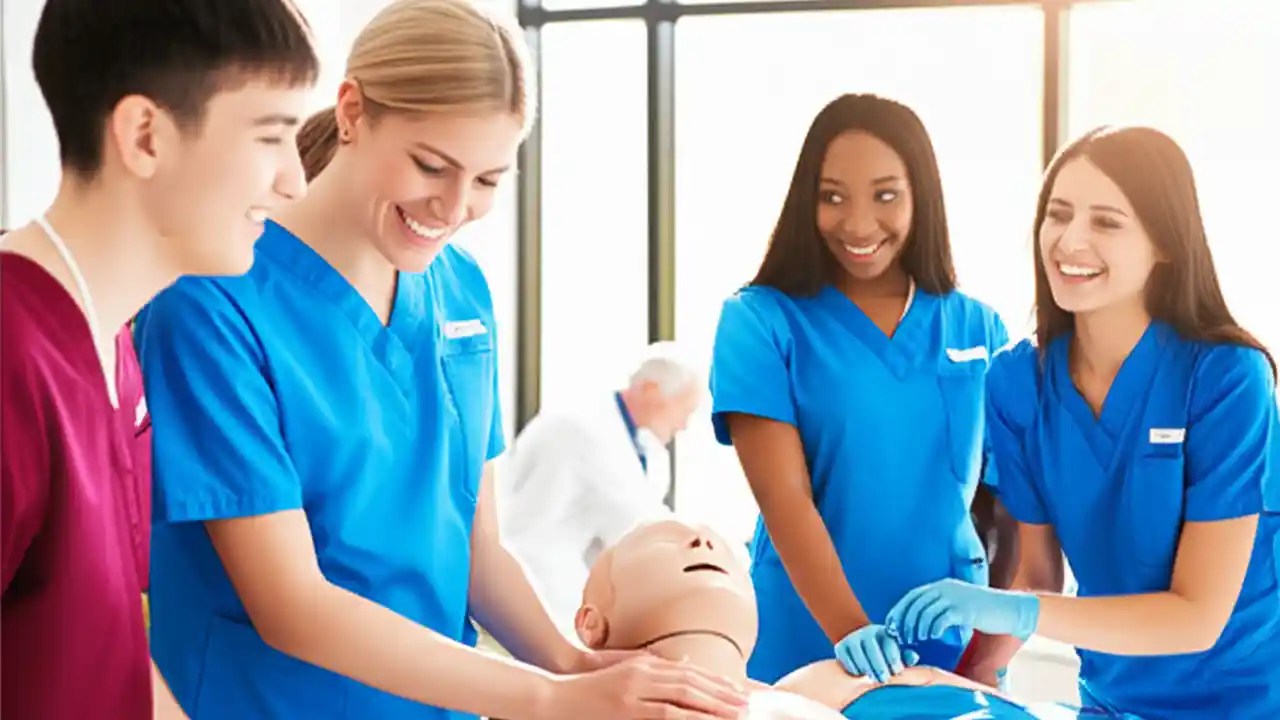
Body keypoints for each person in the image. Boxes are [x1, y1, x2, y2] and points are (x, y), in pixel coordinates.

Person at [132, 1, 748, 718]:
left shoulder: (461, 290)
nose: (454, 208)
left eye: (488, 180)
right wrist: (549, 698)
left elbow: (479, 553)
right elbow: (290, 605)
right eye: (431, 166)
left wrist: (577, 666)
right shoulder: (210, 304)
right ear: (353, 112)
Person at [886, 126, 1280, 719]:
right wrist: (960, 673)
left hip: (1246, 705)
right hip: (1109, 702)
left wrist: (1013, 610)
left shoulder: (1225, 378)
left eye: (1107, 222)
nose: (1070, 240)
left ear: (1165, 243)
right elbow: (1037, 576)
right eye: (1058, 214)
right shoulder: (1017, 381)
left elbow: (1197, 616)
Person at [0, 1, 317, 718]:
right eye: (272, 136)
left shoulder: (110, 341)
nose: (295, 181)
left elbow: (99, 647)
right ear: (145, 136)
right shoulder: (14, 355)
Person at [708, 93, 1010, 685]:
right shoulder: (760, 322)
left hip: (950, 651)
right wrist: (850, 632)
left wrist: (989, 651)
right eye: (833, 196)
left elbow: (1005, 509)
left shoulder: (978, 329)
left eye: (885, 195)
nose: (858, 223)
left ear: (921, 196)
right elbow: (785, 499)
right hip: (808, 645)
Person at [577, 518, 1119, 719]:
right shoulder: (568, 706)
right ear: (589, 623)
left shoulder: (814, 687)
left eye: (717, 541)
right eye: (664, 537)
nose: (702, 540)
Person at [498, 340, 701, 631]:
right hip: (535, 584)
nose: (684, 425)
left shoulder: (641, 443)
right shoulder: (580, 428)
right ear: (651, 390)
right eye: (683, 410)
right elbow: (632, 523)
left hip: (567, 586)